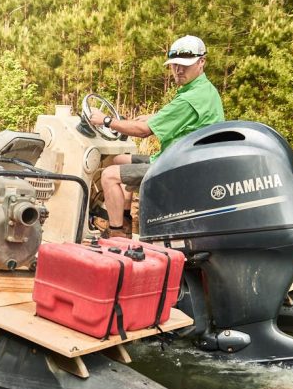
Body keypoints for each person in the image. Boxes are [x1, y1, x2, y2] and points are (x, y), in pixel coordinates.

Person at [90, 35, 225, 237]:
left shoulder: (190, 98)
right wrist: (155, 116)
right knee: (117, 159)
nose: (179, 70)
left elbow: (143, 132)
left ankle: (117, 233)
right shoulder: (203, 90)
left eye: (184, 65)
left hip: (177, 166)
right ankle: (126, 219)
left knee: (109, 176)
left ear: (201, 62)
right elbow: (185, 118)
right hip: (181, 157)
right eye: (175, 65)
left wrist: (106, 121)